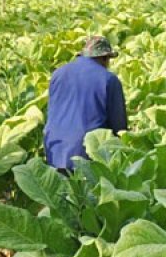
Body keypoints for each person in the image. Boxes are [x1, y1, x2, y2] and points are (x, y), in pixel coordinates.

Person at [43, 36, 127, 172]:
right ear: (104, 58)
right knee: (85, 186)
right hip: (86, 151)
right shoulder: (108, 79)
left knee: (59, 185)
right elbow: (119, 125)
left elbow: (52, 110)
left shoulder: (58, 74)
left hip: (55, 148)